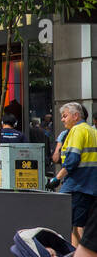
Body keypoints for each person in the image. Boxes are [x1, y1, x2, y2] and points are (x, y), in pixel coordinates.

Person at [50, 102, 97, 247]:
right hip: (90, 186)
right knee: (81, 225)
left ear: (76, 116)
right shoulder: (92, 131)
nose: (62, 119)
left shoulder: (77, 131)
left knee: (72, 225)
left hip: (77, 185)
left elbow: (72, 160)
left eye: (65, 116)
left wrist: (56, 178)